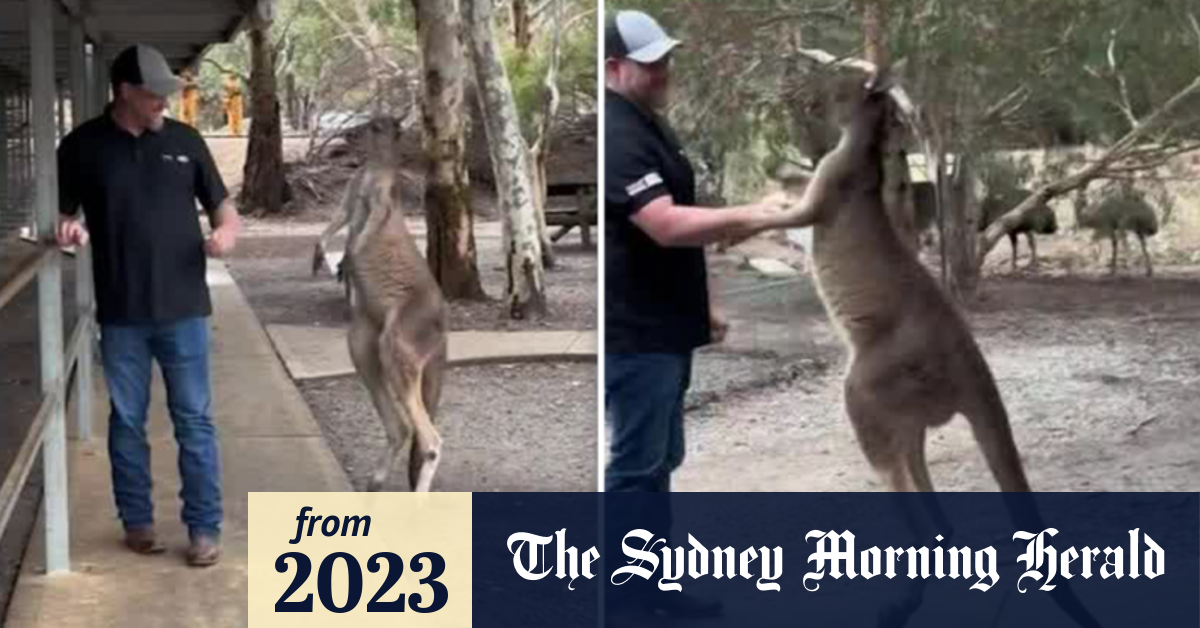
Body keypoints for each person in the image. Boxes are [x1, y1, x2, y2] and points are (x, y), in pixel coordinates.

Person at [604, 9, 797, 621]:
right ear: (614, 68)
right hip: (634, 332)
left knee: (660, 461)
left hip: (667, 325)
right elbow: (663, 224)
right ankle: (625, 602)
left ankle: (652, 588)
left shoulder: (648, 123)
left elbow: (678, 219)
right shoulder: (618, 134)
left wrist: (702, 302)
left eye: (666, 59)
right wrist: (758, 215)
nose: (664, 71)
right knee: (636, 468)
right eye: (650, 63)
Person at [56, 44, 240, 567]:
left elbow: (223, 209)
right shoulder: (81, 147)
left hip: (185, 310)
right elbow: (63, 217)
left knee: (195, 422)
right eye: (154, 93)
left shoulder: (186, 141)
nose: (164, 101)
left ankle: (204, 529)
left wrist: (226, 233)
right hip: (121, 315)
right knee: (127, 422)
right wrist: (68, 230)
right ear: (125, 92)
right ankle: (136, 521)